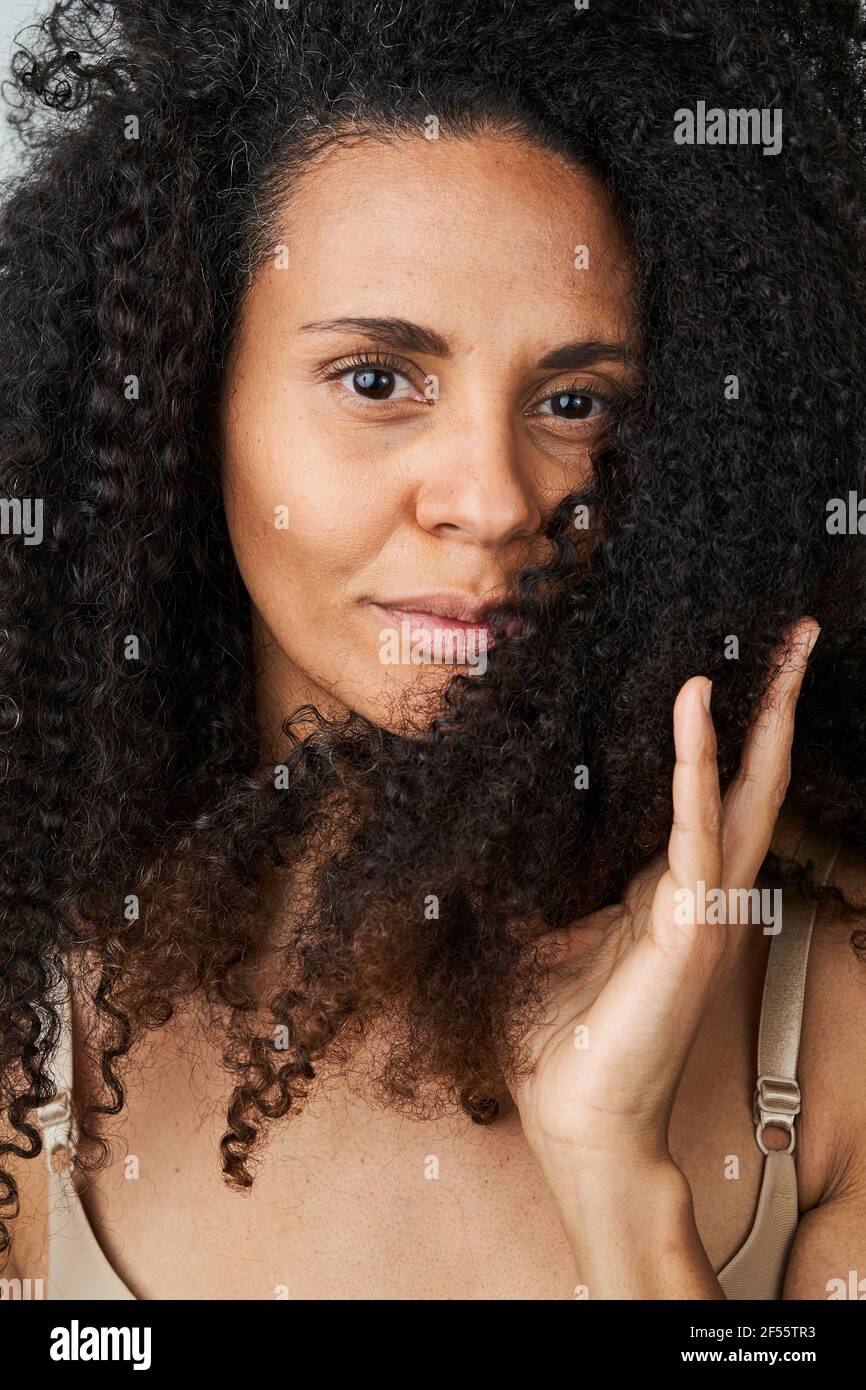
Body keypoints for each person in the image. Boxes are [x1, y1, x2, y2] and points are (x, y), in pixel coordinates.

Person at [2, 0, 865, 1301]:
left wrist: (616, 1182)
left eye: (574, 403)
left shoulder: (833, 1029)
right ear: (188, 387)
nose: (492, 496)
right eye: (376, 378)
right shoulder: (29, 1036)